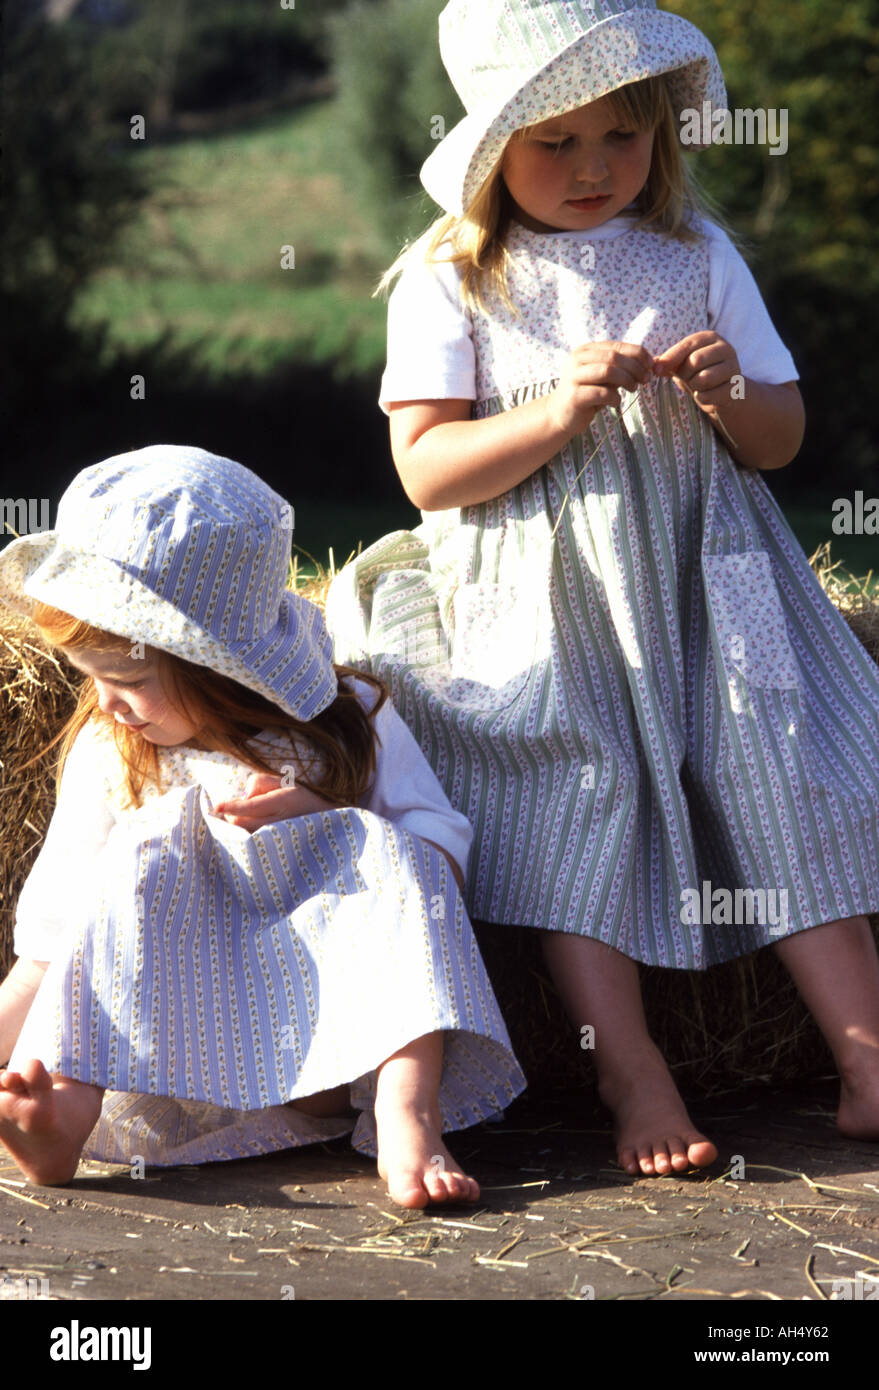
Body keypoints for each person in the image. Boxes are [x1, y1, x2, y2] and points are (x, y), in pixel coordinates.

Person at [322, 0, 879, 1177]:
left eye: (622, 137)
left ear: (662, 136)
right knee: (584, 782)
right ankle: (631, 1065)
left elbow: (778, 442)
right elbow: (426, 467)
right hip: (540, 594)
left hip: (715, 579)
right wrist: (555, 412)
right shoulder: (455, 278)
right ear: (491, 154)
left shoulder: (697, 255)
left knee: (787, 769)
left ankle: (867, 1055)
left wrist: (732, 394)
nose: (594, 169)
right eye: (555, 143)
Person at [0, 445, 526, 1207]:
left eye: (129, 681)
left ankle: (407, 1110)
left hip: (331, 1046)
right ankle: (62, 1112)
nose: (107, 704)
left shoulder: (348, 720)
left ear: (212, 663)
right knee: (145, 845)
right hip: (181, 1058)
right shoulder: (112, 750)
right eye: (93, 679)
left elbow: (437, 865)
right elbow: (55, 937)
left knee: (390, 847)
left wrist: (332, 827)